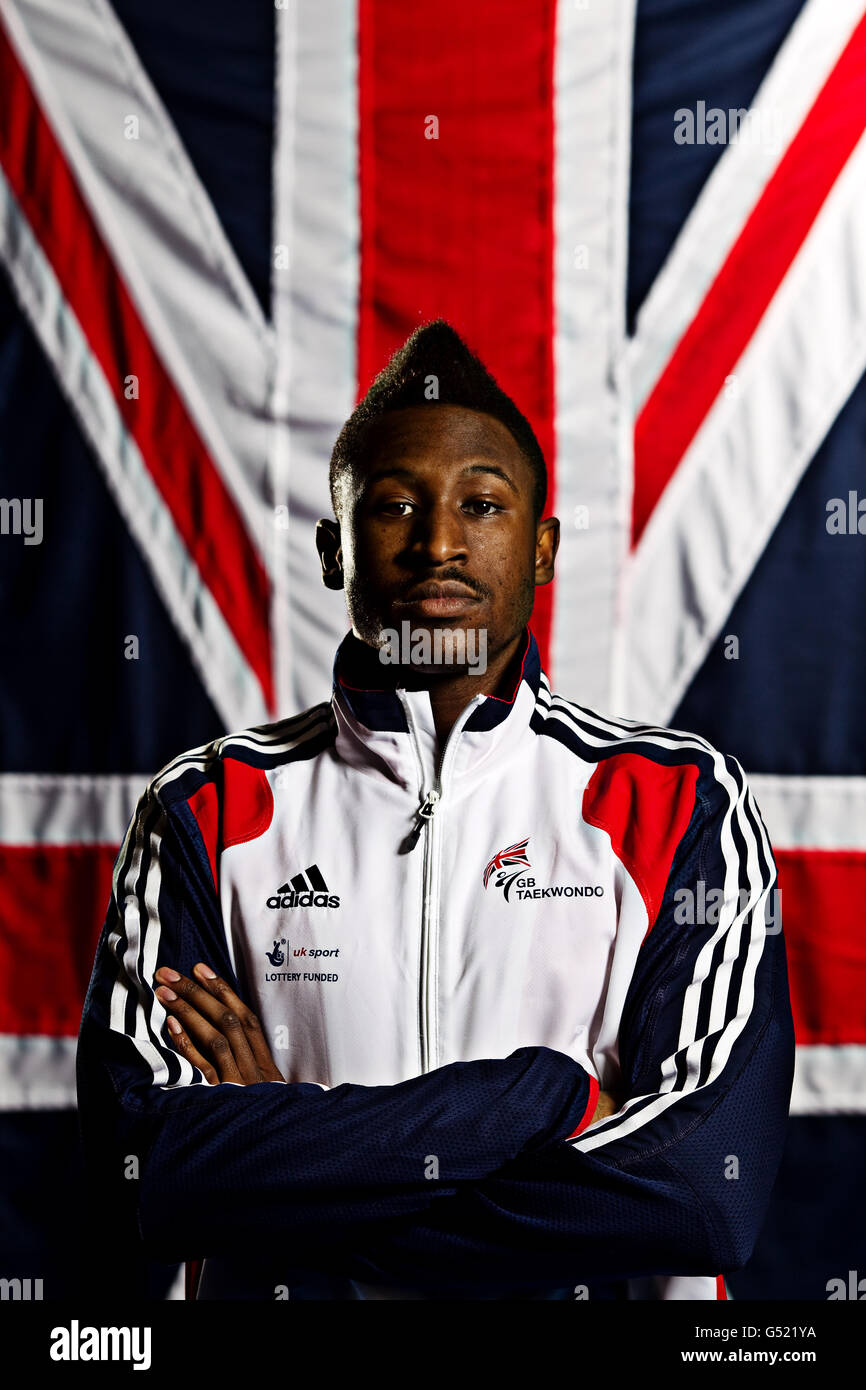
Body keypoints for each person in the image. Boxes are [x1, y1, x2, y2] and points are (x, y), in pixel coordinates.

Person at [76, 319, 795, 1301]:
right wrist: (544, 1095)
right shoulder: (204, 809)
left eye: (482, 504)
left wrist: (282, 1148)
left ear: (540, 549)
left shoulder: (678, 801)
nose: (439, 542)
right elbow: (145, 1172)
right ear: (334, 550)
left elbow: (699, 1193)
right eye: (394, 505)